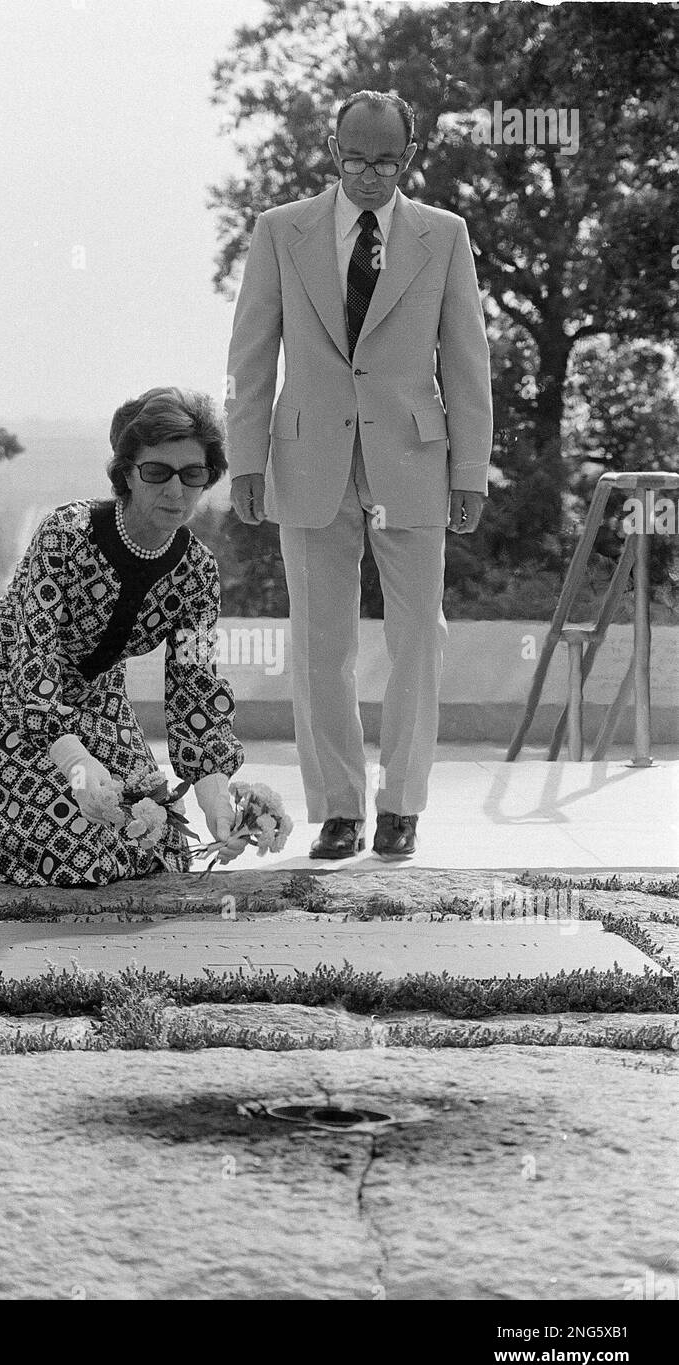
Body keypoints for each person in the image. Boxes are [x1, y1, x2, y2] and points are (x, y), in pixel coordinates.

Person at [225, 90, 493, 860]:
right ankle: (339, 809)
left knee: (418, 638)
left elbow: (467, 360)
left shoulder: (444, 236)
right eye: (355, 158)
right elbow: (250, 353)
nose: (369, 174)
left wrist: (470, 469)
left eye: (385, 160)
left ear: (408, 158)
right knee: (319, 643)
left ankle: (403, 805)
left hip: (413, 460)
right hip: (309, 459)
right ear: (332, 150)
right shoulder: (282, 231)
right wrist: (246, 459)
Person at [0, 387, 245, 886]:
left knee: (156, 846)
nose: (176, 491)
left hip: (97, 707)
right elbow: (33, 654)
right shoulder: (66, 534)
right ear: (126, 473)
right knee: (84, 853)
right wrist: (75, 762)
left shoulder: (196, 574)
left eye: (193, 474)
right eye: (156, 471)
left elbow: (195, 685)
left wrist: (213, 791)